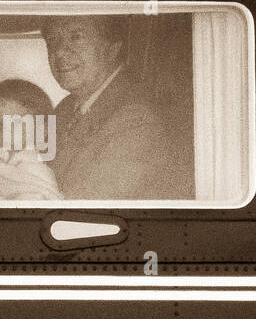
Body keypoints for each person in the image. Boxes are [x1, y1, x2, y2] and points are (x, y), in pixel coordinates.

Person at [41, 15, 192, 200]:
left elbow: (85, 205)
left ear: (112, 48)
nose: (59, 52)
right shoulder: (65, 108)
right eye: (52, 41)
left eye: (76, 36)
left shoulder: (138, 119)